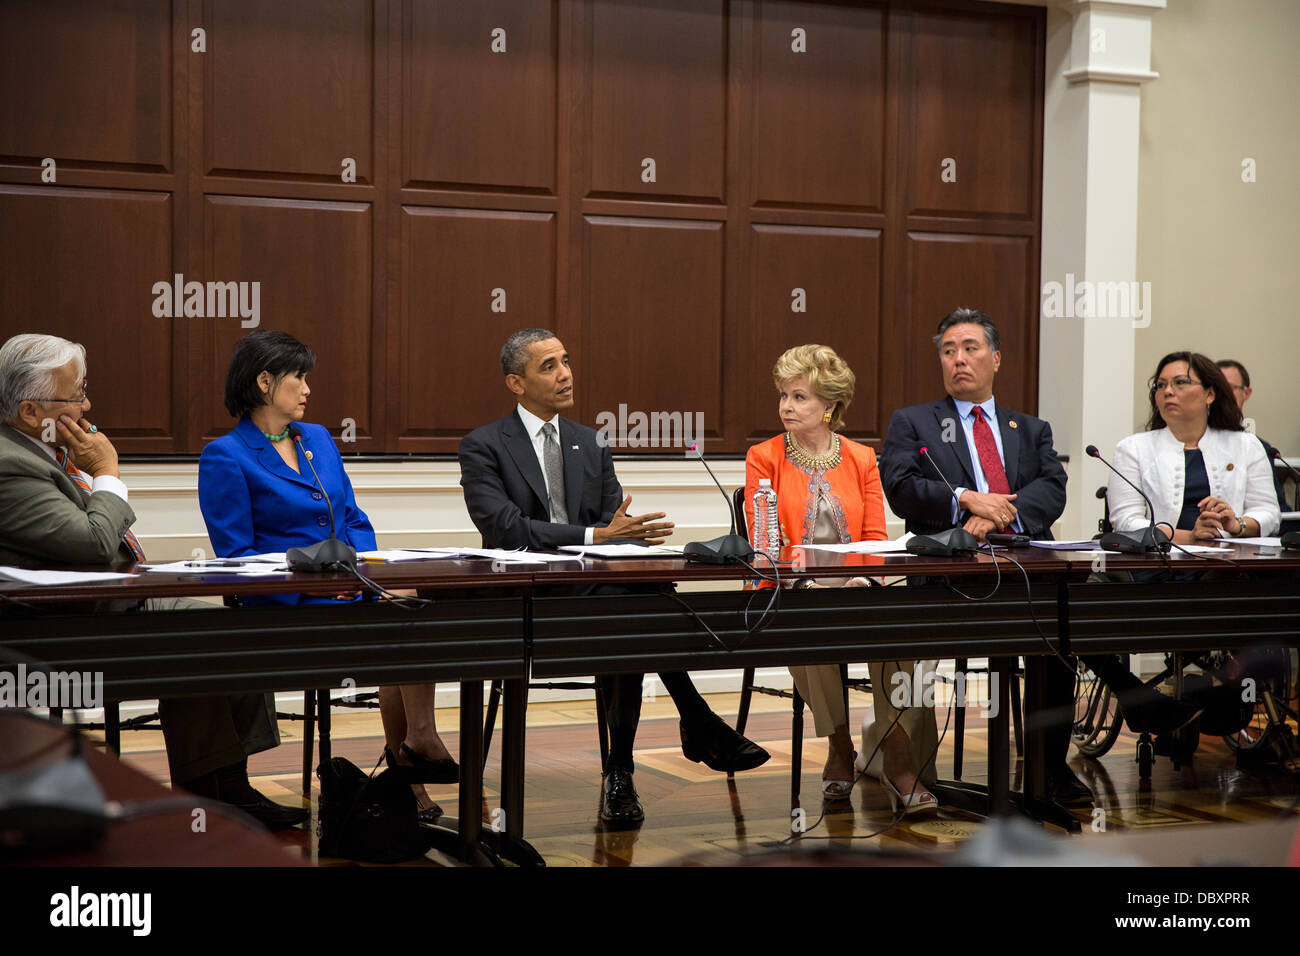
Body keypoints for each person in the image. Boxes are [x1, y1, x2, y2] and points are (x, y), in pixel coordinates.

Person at [459, 328, 769, 828]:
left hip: (599, 595)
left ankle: (626, 767)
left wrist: (629, 538)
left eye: (566, 361)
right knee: (639, 603)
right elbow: (505, 528)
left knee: (633, 600)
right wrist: (598, 535)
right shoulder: (484, 446)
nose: (565, 374)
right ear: (515, 383)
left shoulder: (590, 443)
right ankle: (687, 726)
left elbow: (614, 527)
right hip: (531, 595)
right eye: (549, 367)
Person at [0, 333, 306, 830]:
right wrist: (106, 472)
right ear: (33, 411)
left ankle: (228, 786)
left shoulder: (39, 449)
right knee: (201, 633)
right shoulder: (9, 464)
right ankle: (210, 794)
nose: (87, 404)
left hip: (101, 601)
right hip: (57, 626)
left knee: (227, 621)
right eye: (76, 394)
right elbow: (94, 543)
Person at [198, 330, 456, 823]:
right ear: (265, 381)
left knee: (408, 595)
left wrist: (359, 572)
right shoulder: (225, 456)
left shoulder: (314, 438)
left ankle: (415, 745)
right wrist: (312, 585)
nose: (308, 388)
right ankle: (411, 763)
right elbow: (236, 558)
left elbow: (354, 519)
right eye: (299, 376)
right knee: (399, 619)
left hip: (350, 593)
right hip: (286, 611)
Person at [879, 309, 1087, 806]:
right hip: (950, 575)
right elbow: (902, 489)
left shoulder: (1030, 428)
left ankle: (1049, 769)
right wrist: (966, 499)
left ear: (995, 358)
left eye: (970, 348)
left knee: (1066, 631)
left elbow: (1051, 490)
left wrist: (997, 515)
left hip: (1025, 566)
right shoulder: (915, 422)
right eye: (948, 351)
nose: (958, 359)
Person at [744, 344, 936, 813]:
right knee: (813, 629)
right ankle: (838, 744)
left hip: (858, 586)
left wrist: (863, 581)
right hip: (794, 588)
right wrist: (805, 583)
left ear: (829, 407)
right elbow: (765, 538)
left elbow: (874, 536)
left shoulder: (861, 458)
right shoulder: (763, 457)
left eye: (800, 397)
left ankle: (895, 750)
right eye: (783, 396)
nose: (786, 406)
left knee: (900, 631)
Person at [1082, 352, 1280, 736]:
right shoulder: (1134, 448)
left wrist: (1235, 524)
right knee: (1078, 602)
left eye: (1179, 383)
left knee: (1273, 603)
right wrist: (1188, 535)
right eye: (1160, 385)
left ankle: (1230, 703)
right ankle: (1135, 696)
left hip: (1222, 572)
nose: (1167, 391)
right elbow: (1128, 522)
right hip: (1155, 573)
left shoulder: (1246, 446)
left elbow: (1269, 514)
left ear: (1209, 394)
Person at [1216, 359, 1293, 521]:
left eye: (1229, 387)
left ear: (1246, 393)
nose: (1221, 394)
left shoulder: (1256, 447)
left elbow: (1277, 512)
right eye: (1217, 387)